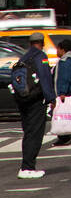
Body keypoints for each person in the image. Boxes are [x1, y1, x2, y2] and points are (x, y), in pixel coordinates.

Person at [12, 30, 56, 179]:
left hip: (23, 99)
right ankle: (28, 168)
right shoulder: (40, 57)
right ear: (42, 43)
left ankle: (26, 165)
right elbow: (45, 77)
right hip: (36, 100)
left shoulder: (24, 57)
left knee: (28, 132)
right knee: (35, 133)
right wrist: (51, 98)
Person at [51, 38, 71, 146]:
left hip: (65, 94)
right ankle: (67, 134)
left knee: (62, 115)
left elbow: (64, 78)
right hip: (68, 93)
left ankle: (67, 136)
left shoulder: (65, 61)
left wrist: (62, 92)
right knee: (65, 115)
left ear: (63, 49)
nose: (57, 51)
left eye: (58, 49)